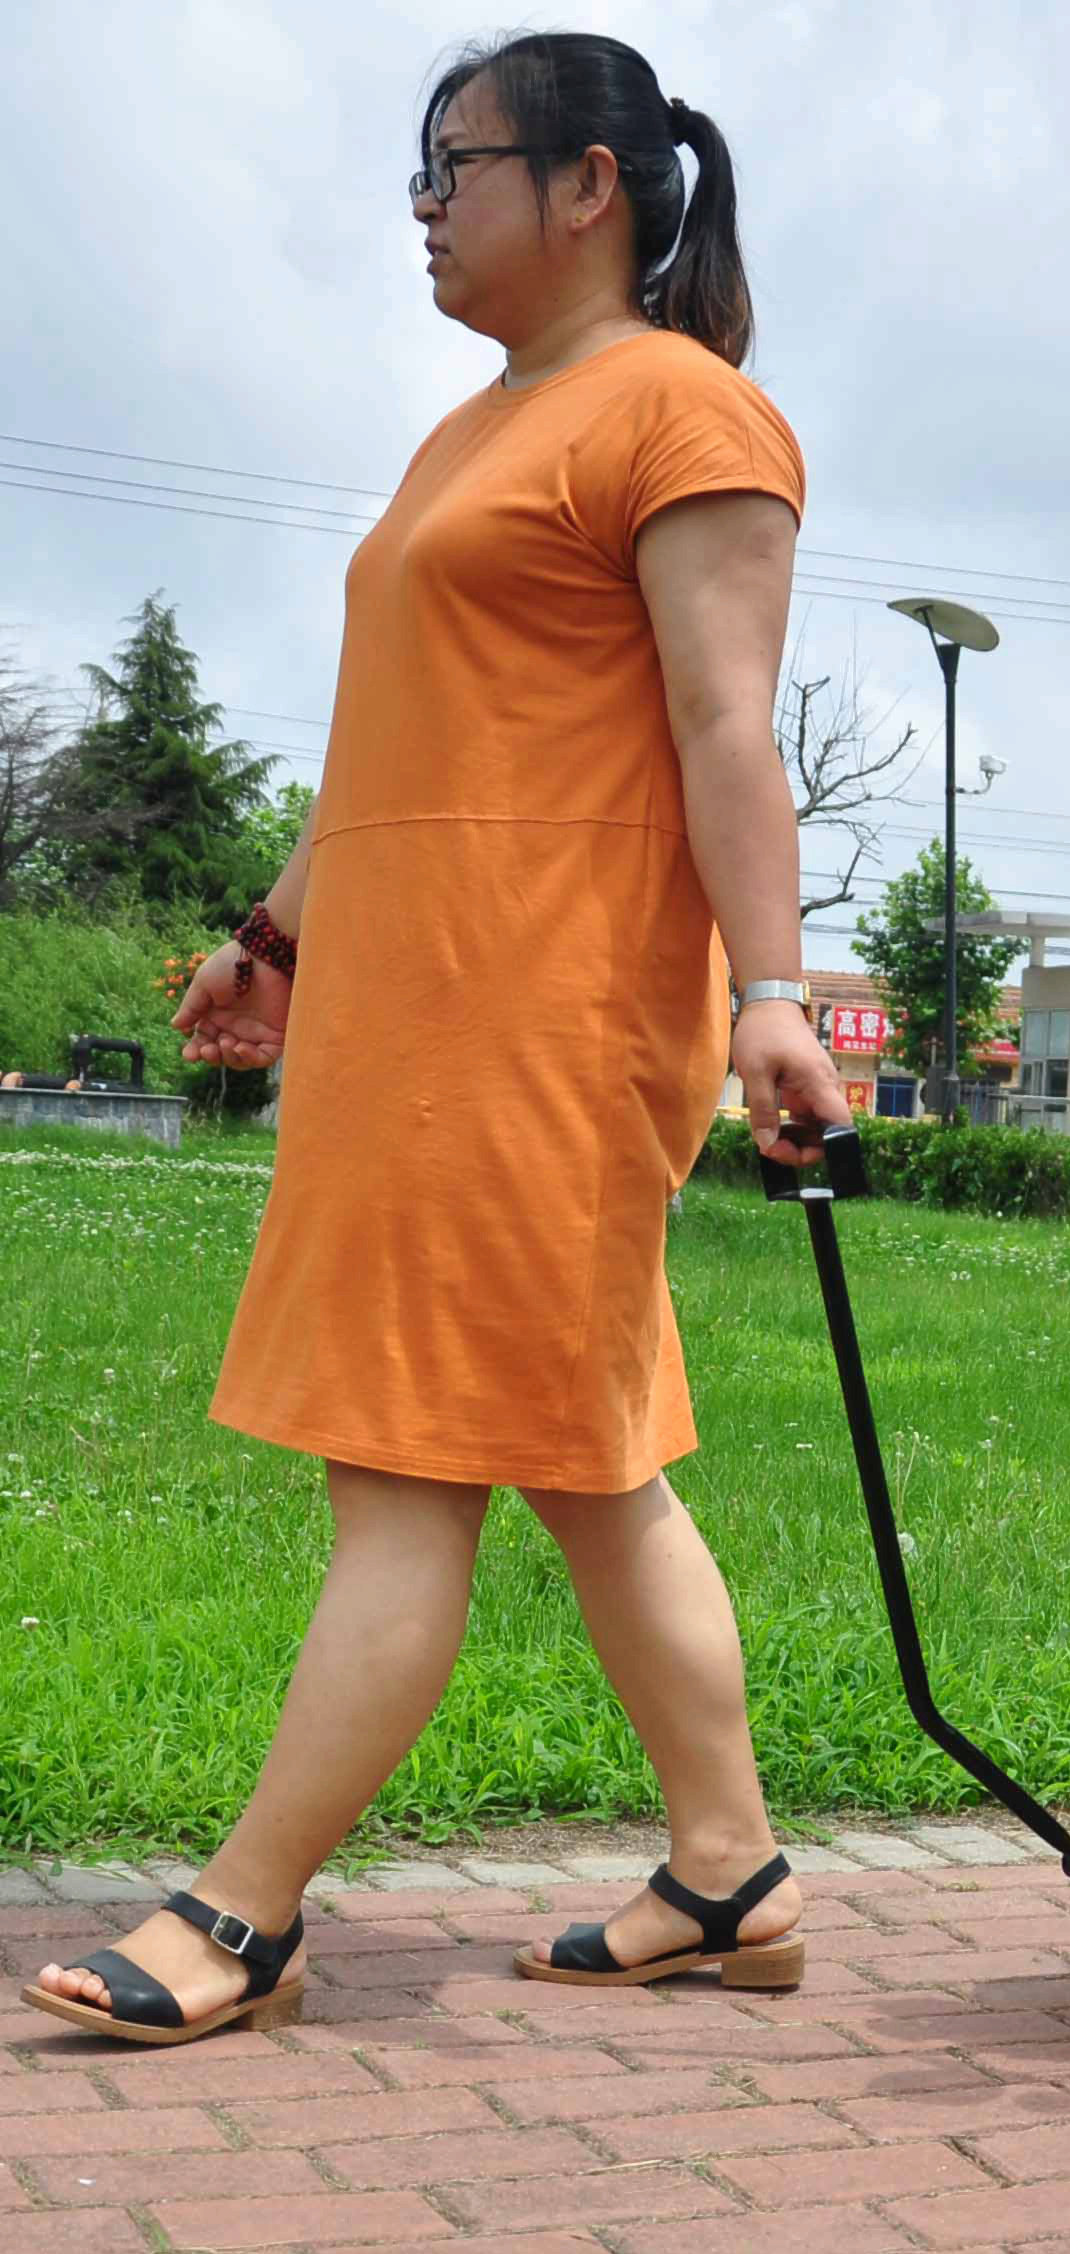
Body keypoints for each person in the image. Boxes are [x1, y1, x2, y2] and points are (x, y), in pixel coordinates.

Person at [27, 32, 850, 2046]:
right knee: (595, 1471)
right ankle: (733, 1872)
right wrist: (272, 938)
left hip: (538, 1030)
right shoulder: (478, 429)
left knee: (403, 1475)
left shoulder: (688, 415)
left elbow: (727, 729)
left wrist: (772, 991)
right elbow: (404, 741)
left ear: (587, 187)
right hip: (412, 1015)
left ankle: (246, 1912)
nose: (421, 206)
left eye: (449, 164)